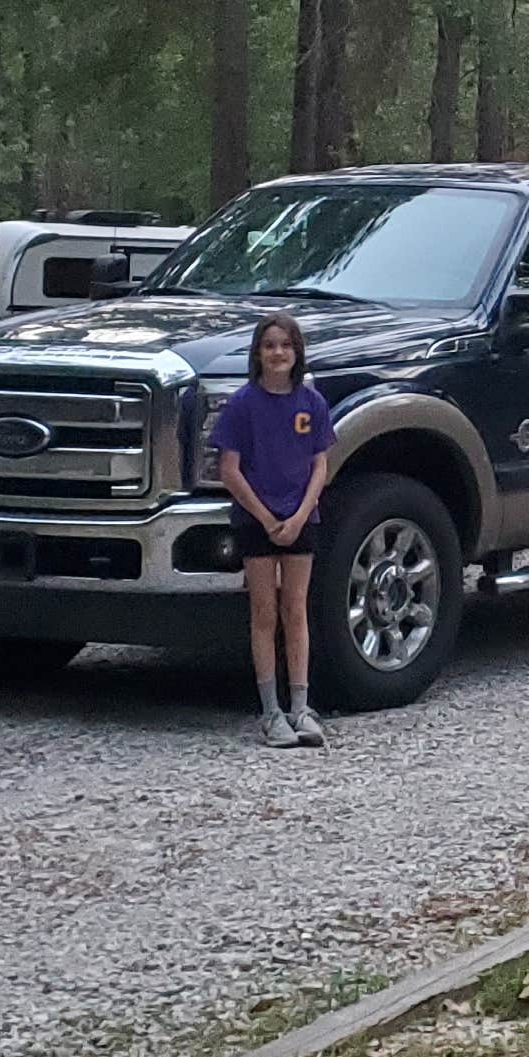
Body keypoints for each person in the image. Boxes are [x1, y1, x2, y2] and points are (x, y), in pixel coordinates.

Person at [210, 311, 336, 749]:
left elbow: (320, 464)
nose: (278, 353)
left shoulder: (312, 403)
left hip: (301, 518)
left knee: (296, 609)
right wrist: (265, 518)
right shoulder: (243, 404)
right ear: (257, 353)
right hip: (256, 519)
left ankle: (301, 706)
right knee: (264, 612)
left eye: (285, 345)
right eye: (269, 345)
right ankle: (270, 710)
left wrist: (300, 515)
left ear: (297, 352)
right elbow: (229, 469)